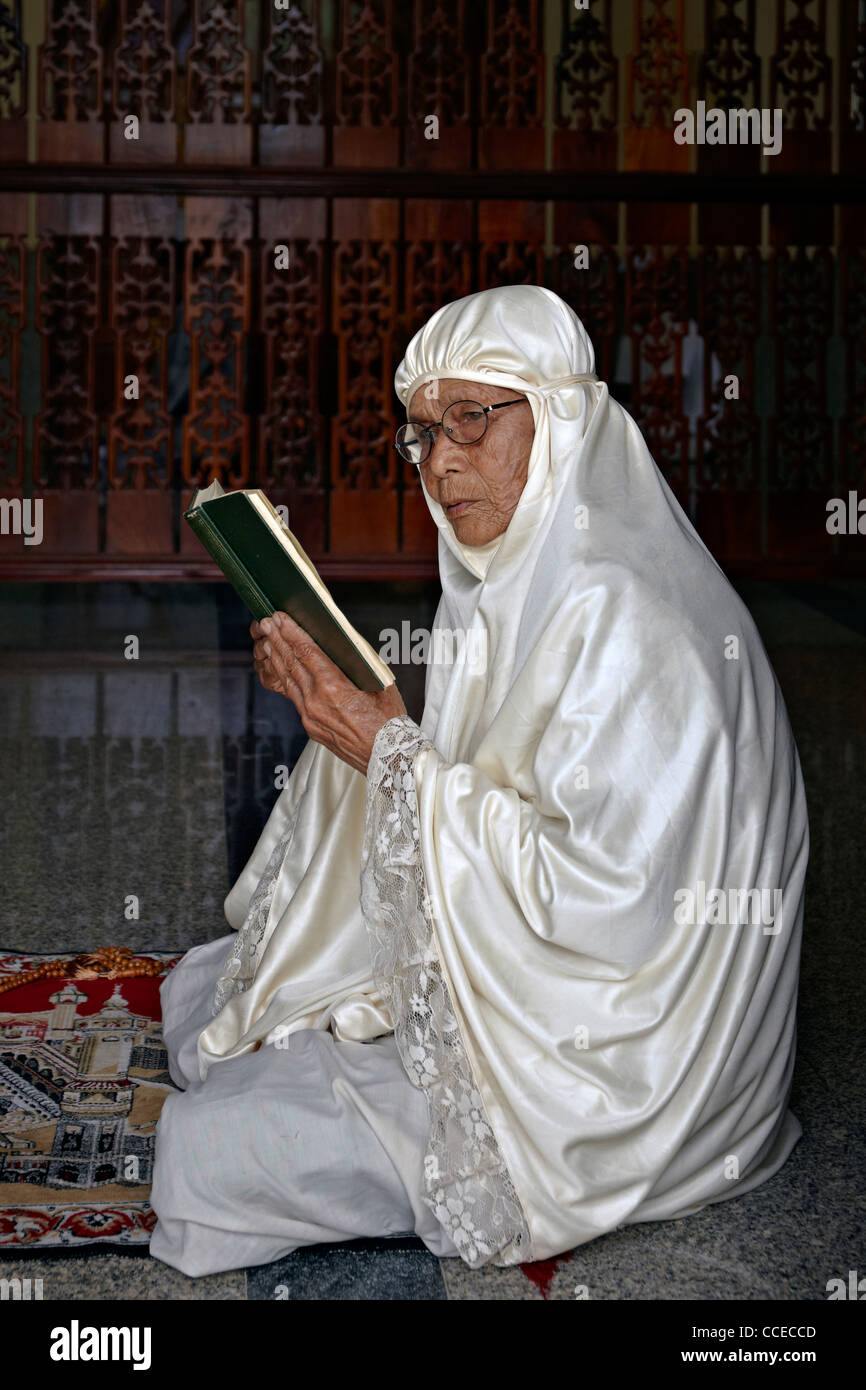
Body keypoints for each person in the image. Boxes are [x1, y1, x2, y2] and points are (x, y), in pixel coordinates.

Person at [149, 284, 808, 1277]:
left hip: (625, 1073)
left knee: (207, 1154)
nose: (442, 461)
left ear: (559, 421)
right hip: (528, 998)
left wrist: (387, 754)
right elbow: (472, 786)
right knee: (207, 1002)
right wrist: (359, 726)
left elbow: (604, 909)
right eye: (421, 432)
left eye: (471, 419)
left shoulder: (623, 614)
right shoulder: (512, 569)